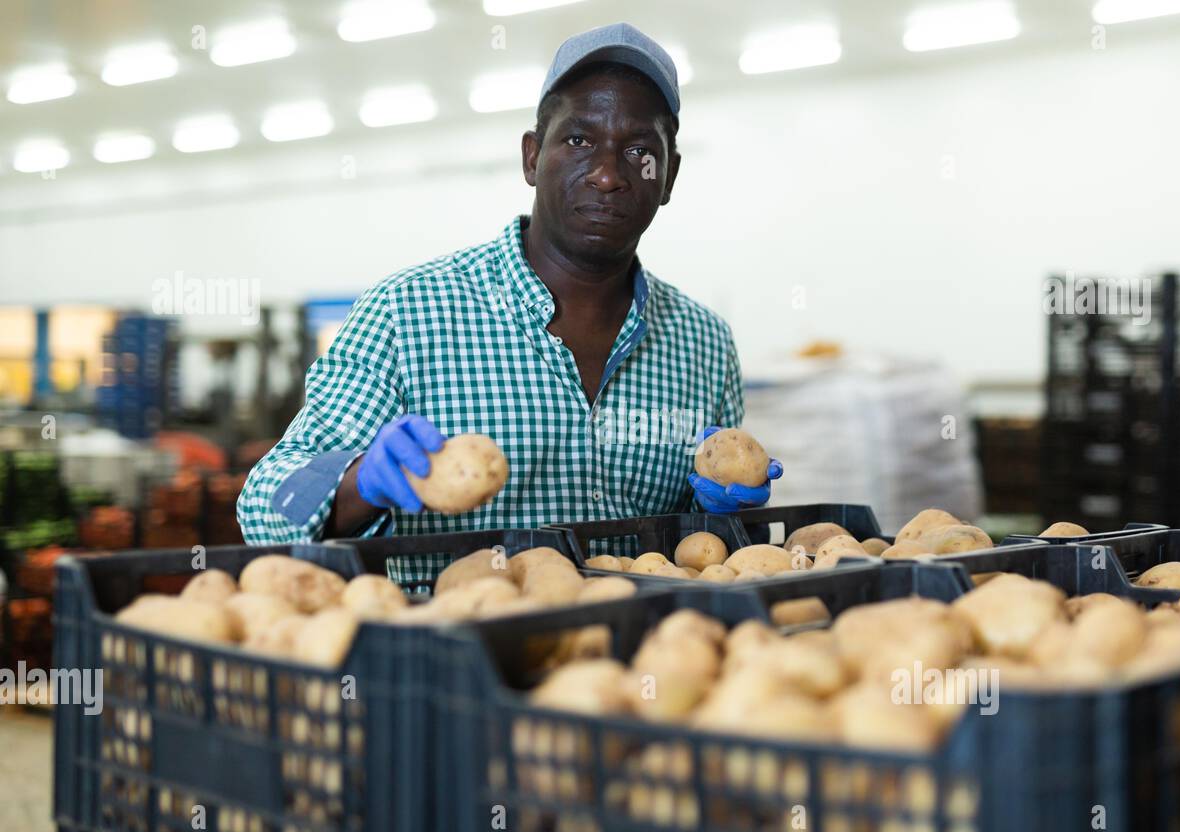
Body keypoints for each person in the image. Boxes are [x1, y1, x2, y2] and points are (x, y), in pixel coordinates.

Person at [237, 23, 781, 559]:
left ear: (669, 177)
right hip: (457, 642)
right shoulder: (406, 313)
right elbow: (264, 511)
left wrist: (731, 515)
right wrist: (360, 482)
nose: (608, 175)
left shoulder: (704, 343)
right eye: (579, 140)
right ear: (531, 157)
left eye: (639, 150)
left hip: (642, 644)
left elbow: (711, 552)